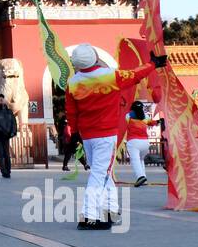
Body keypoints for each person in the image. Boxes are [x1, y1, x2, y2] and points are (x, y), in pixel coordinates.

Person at [66, 43, 162, 230]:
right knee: (99, 174)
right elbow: (135, 75)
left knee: (104, 172)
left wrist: (76, 132)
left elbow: (71, 113)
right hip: (105, 134)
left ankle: (110, 210)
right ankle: (89, 216)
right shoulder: (110, 76)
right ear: (94, 57)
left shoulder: (73, 83)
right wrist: (152, 64)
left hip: (87, 135)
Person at [124, 101, 160, 187]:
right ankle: (144, 180)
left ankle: (140, 177)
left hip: (133, 142)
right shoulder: (145, 117)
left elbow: (127, 120)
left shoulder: (128, 116)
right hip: (145, 143)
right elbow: (151, 122)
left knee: (135, 160)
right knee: (140, 160)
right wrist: (159, 121)